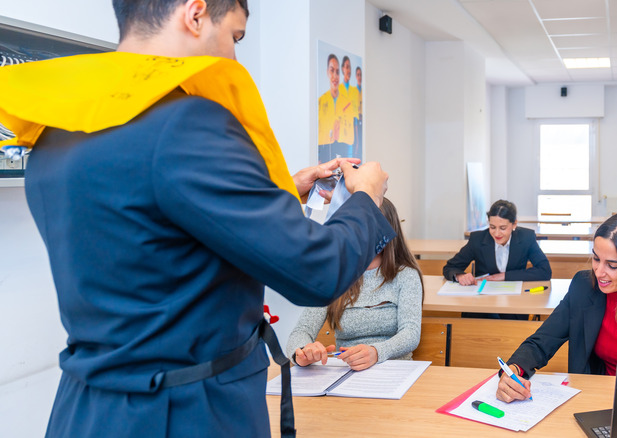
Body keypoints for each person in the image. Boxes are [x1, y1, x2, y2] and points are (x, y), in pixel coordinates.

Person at [1, 1, 393, 437]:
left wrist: (278, 190)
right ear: (195, 14)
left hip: (89, 407)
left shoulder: (57, 130)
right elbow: (317, 271)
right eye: (235, 36)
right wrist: (367, 198)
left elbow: (155, 225)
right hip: (185, 412)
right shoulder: (189, 122)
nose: (234, 57)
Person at [496, 211, 617, 403]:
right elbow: (542, 341)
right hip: (590, 396)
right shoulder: (584, 286)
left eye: (612, 265)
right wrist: (514, 369)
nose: (599, 272)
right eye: (596, 259)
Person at [286, 198, 423, 371]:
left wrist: (376, 352)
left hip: (393, 369)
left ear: (388, 230)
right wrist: (303, 352)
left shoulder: (405, 275)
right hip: (347, 373)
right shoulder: (334, 275)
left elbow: (410, 333)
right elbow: (301, 331)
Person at [443, 200, 552, 284]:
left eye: (503, 228)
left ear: (514, 224)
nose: (497, 233)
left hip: (514, 302)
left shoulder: (526, 238)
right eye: (492, 227)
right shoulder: (478, 239)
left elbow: (544, 271)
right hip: (482, 303)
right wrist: (460, 276)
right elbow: (450, 267)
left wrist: (504, 276)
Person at [317, 54, 353, 162]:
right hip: (324, 156)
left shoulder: (347, 104)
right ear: (327, 72)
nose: (335, 76)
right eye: (332, 71)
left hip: (342, 155)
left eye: (337, 72)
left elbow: (350, 139)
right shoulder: (321, 101)